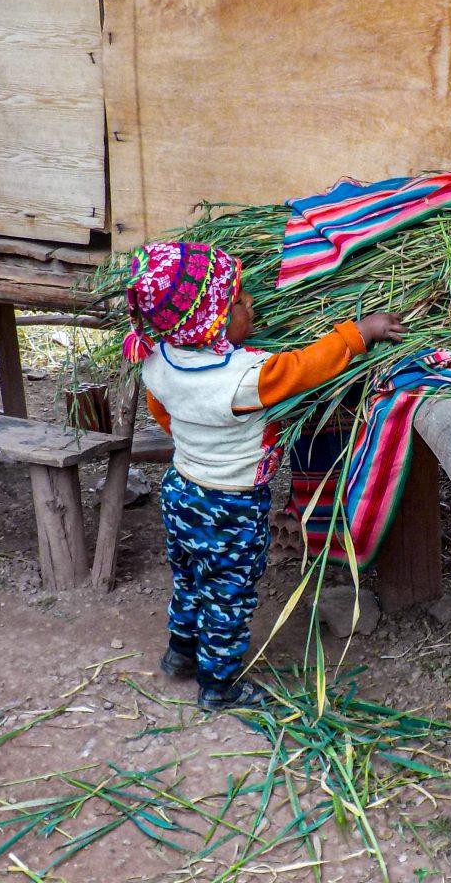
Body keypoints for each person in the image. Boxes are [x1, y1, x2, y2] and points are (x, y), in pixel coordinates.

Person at [122, 241, 405, 710]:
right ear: (211, 321)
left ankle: (180, 653)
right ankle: (219, 684)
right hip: (228, 507)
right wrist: (359, 332)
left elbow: (164, 415)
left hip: (181, 491)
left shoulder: (157, 359)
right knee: (229, 594)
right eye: (238, 300)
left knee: (191, 576)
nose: (250, 302)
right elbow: (302, 368)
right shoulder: (246, 378)